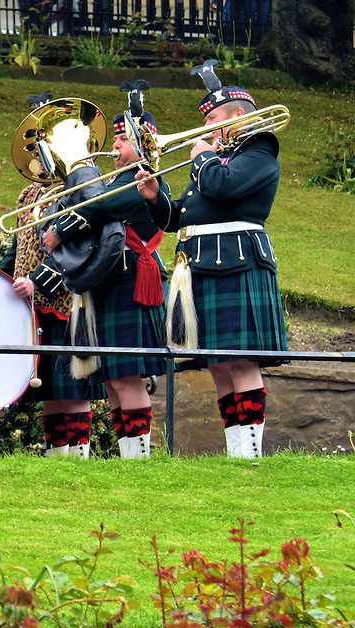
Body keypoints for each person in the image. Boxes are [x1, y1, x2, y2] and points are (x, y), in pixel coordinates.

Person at [137, 60, 286, 458]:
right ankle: (235, 448)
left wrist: (203, 156)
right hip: (202, 262)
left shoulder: (259, 149)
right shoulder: (217, 157)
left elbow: (224, 186)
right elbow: (183, 215)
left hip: (236, 260)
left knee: (240, 362)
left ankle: (250, 454)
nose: (209, 130)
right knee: (218, 364)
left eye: (215, 120)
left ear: (238, 116)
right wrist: (156, 199)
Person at [44, 81, 169, 459]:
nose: (113, 148)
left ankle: (138, 459)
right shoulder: (113, 180)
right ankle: (128, 453)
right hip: (109, 284)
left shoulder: (142, 180)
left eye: (122, 141)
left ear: (142, 144)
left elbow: (100, 207)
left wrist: (62, 228)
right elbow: (92, 208)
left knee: (126, 376)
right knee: (113, 379)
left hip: (131, 283)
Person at [0, 99, 95, 456]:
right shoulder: (29, 193)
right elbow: (18, 248)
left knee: (72, 388)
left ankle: (79, 457)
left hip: (64, 300)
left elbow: (82, 245)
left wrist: (40, 279)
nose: (38, 156)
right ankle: (57, 459)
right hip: (32, 305)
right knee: (51, 391)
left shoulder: (77, 190)